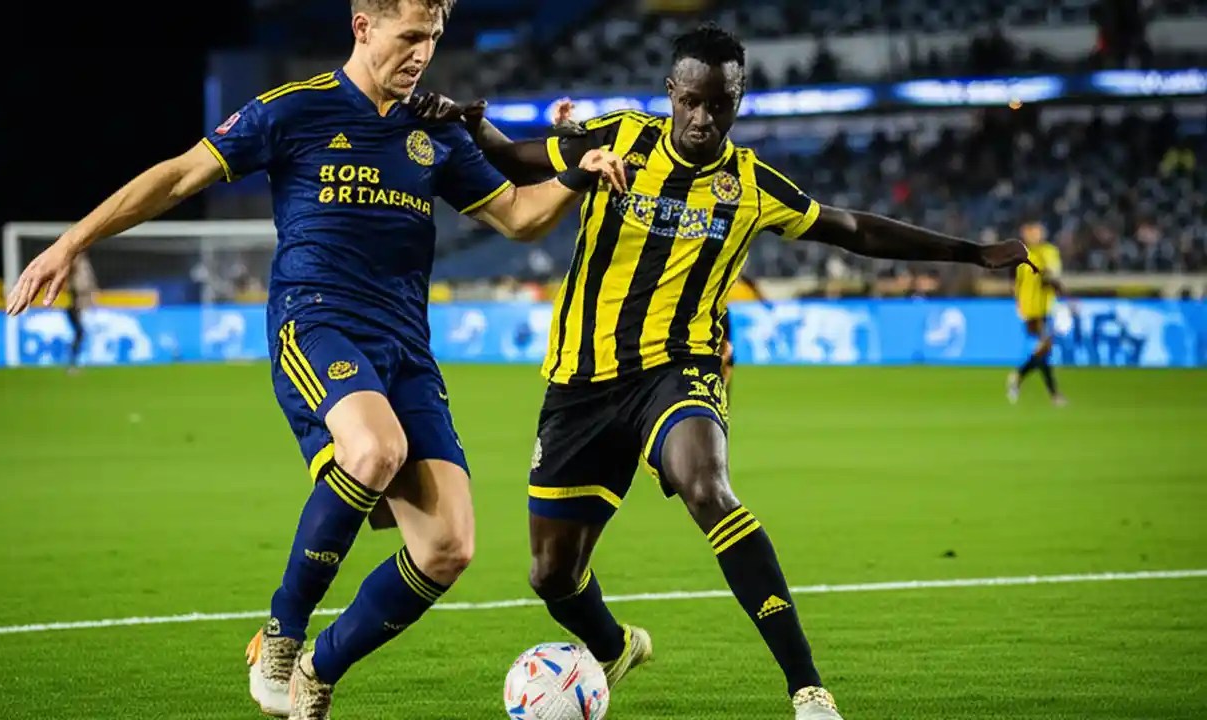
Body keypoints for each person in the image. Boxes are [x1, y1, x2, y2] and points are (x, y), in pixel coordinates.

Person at [3, 1, 627, 718]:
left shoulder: (433, 130)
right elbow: (178, 176)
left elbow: (517, 216)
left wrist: (578, 174)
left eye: (433, 38)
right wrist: (72, 243)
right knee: (375, 449)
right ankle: (282, 631)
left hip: (406, 348)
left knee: (448, 546)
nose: (423, 53)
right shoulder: (293, 110)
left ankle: (316, 669)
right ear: (363, 27)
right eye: (410, 36)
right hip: (318, 321)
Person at [416, 22, 1034, 719]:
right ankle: (616, 647)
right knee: (551, 574)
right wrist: (472, 123)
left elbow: (854, 229)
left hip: (679, 369)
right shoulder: (619, 137)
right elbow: (518, 161)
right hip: (580, 383)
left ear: (738, 101)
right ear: (670, 93)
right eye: (692, 101)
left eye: (721, 104)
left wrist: (972, 252)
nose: (704, 118)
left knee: (708, 487)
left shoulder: (752, 186)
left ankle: (808, 690)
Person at [1007, 221, 1073, 405]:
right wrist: (1018, 302)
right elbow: (1015, 282)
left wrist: (1064, 295)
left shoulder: (1048, 252)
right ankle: (1053, 394)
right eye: (1029, 233)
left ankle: (1019, 377)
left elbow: (1053, 277)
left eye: (1035, 232)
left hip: (1046, 307)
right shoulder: (1021, 256)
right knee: (1044, 349)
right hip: (1030, 311)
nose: (1032, 236)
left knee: (1043, 351)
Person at [64, 254, 97, 373]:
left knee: (81, 334)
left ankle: (76, 362)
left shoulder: (82, 264)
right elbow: (77, 287)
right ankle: (72, 364)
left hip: (82, 306)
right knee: (79, 333)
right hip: (76, 307)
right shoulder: (74, 267)